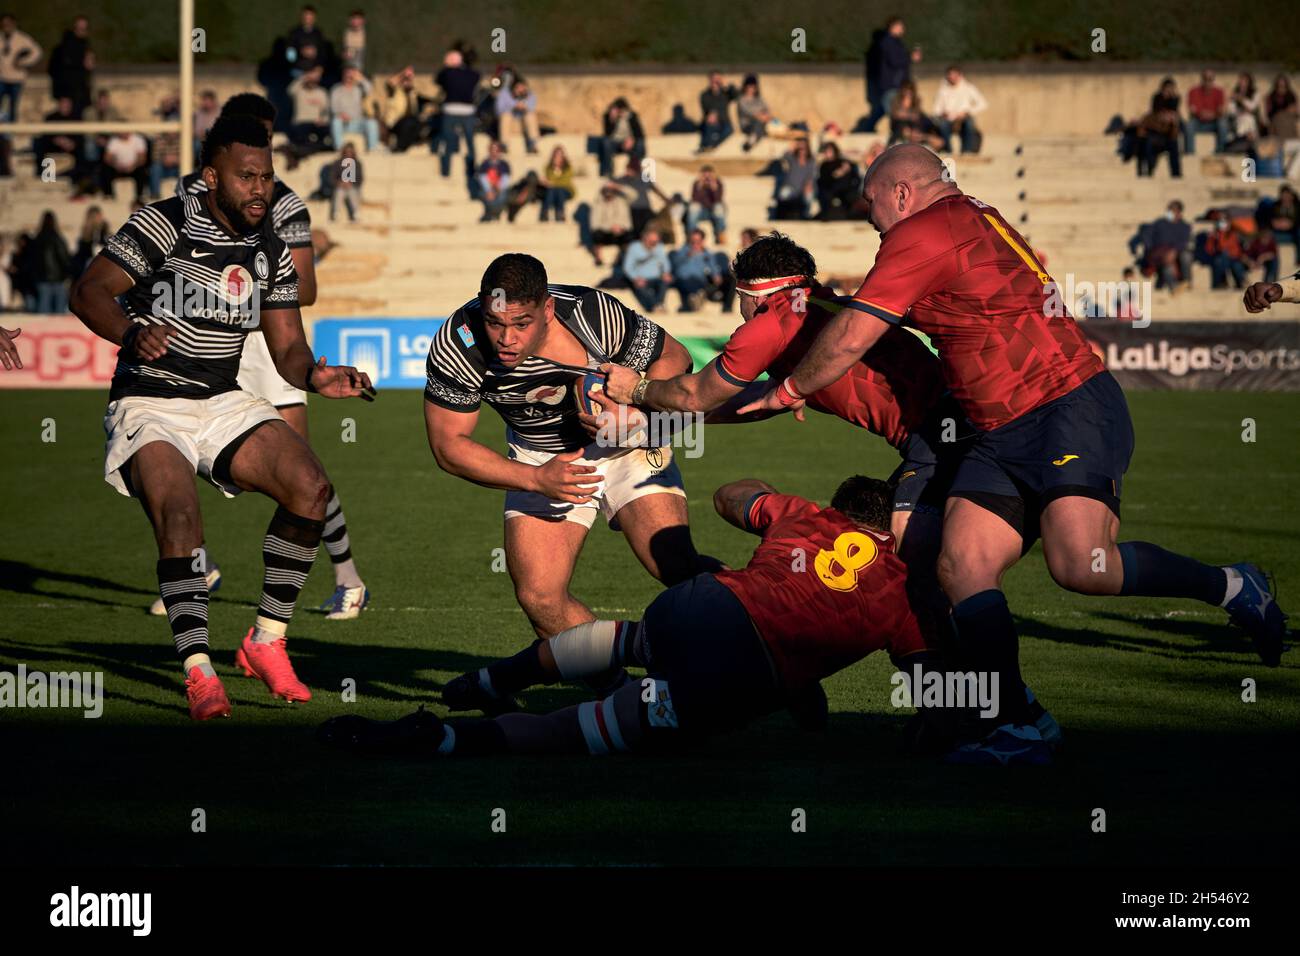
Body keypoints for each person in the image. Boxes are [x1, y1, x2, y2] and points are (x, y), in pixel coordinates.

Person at [739, 144, 1289, 764]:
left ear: (901, 193)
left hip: (1065, 405)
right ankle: (1015, 721)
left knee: (1081, 565)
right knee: (959, 565)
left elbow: (855, 334)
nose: (868, 215)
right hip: (995, 430)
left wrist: (785, 389)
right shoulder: (960, 221)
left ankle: (1233, 585)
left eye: (870, 201)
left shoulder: (923, 231)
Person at [69, 115, 376, 720]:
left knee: (310, 487)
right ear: (212, 176)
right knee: (181, 512)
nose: (260, 189)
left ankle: (266, 640)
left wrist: (315, 374)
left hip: (222, 399)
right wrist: (131, 333)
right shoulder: (163, 223)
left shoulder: (268, 250)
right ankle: (199, 669)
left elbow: (287, 347)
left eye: (266, 176)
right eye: (246, 177)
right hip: (150, 401)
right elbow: (89, 292)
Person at [319, 475, 950, 760]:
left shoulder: (807, 515)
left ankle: (491, 681)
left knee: (631, 639)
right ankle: (441, 739)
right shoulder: (904, 590)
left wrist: (769, 510)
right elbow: (928, 684)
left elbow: (732, 493)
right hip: (739, 671)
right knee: (589, 732)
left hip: (698, 603)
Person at [601, 231, 963, 590]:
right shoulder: (824, 304)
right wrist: (662, 417)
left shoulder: (773, 321)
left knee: (907, 577)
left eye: (738, 297)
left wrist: (636, 389)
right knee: (892, 563)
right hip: (957, 426)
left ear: (751, 294)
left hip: (938, 442)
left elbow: (696, 395)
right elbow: (756, 401)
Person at [420, 254, 718, 683]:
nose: (506, 338)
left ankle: (770, 628)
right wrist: (535, 479)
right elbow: (447, 446)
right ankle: (624, 692)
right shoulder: (458, 343)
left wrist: (637, 404)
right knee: (540, 598)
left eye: (521, 323)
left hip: (626, 446)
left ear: (546, 310)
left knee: (671, 563)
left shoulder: (592, 314)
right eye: (495, 322)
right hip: (539, 459)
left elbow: (674, 356)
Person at [175, 93, 370, 621]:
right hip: (201, 343)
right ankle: (195, 568)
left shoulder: (285, 206)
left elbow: (302, 290)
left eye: (264, 147)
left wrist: (236, 291)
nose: (257, 171)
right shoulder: (185, 199)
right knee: (165, 450)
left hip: (267, 345)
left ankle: (347, 576)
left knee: (301, 471)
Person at [864, 16, 918, 133]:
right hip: (892, 84)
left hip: (894, 84)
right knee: (894, 112)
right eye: (900, 27)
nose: (903, 30)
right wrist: (910, 57)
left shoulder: (894, 43)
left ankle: (865, 128)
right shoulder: (888, 42)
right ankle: (897, 133)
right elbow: (894, 61)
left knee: (883, 109)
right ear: (893, 27)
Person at [435, 47, 481, 179]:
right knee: (470, 142)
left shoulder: (446, 73)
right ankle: (471, 170)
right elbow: (476, 77)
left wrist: (448, 66)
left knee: (447, 142)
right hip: (468, 110)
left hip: (450, 109)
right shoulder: (473, 74)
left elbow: (438, 80)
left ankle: (446, 172)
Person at [1129, 200, 1192, 290]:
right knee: (1167, 264)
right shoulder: (1159, 223)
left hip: (1175, 254)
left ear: (1179, 212)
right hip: (1158, 253)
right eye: (1169, 210)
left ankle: (1186, 283)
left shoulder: (1185, 226)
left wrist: (1173, 251)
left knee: (1186, 256)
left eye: (1172, 210)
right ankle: (1174, 287)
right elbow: (1146, 235)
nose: (1170, 212)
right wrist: (1151, 249)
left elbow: (1184, 242)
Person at [931, 65, 986, 154]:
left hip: (964, 118)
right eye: (950, 75)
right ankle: (948, 150)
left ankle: (966, 151)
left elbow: (982, 103)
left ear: (960, 75)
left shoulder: (969, 88)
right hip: (948, 119)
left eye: (955, 75)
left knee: (969, 124)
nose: (952, 78)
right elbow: (936, 110)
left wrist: (967, 112)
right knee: (943, 125)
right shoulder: (942, 90)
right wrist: (943, 113)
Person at [0, 13, 42, 122]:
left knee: (14, 107)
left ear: (14, 24)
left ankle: (11, 132)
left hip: (16, 79)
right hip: (2, 78)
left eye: (8, 24)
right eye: (4, 24)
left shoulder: (22, 38)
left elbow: (37, 52)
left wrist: (23, 62)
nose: (6, 26)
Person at [47, 15, 93, 115]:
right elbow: (54, 69)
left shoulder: (85, 46)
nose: (82, 31)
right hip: (69, 92)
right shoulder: (65, 48)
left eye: (84, 28)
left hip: (78, 91)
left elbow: (88, 68)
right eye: (80, 28)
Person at [382, 65, 434, 152]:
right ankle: (399, 147)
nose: (407, 83)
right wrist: (403, 73)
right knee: (411, 121)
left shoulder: (413, 93)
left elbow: (429, 98)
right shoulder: (394, 92)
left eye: (409, 81)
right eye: (405, 81)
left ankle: (411, 143)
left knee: (424, 122)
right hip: (395, 122)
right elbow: (390, 83)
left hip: (411, 123)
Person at [28, 211, 72, 313]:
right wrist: (67, 274)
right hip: (58, 279)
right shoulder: (58, 239)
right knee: (59, 312)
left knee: (43, 312)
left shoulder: (37, 239)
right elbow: (64, 258)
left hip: (42, 279)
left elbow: (33, 261)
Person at [623, 226, 673, 312]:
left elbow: (665, 263)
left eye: (656, 241)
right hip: (641, 279)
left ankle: (657, 305)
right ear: (644, 238)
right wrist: (635, 278)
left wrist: (666, 273)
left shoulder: (659, 247)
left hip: (657, 278)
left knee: (665, 282)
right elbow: (627, 267)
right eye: (651, 241)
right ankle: (657, 305)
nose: (654, 244)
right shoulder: (634, 247)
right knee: (640, 287)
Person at [329, 66, 379, 151]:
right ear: (343, 75)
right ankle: (339, 149)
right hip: (343, 123)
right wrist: (341, 115)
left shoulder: (359, 89)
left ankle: (373, 150)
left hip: (358, 122)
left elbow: (370, 89)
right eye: (347, 74)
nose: (349, 77)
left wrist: (360, 78)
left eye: (351, 75)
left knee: (372, 122)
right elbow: (333, 108)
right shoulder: (336, 89)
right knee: (335, 122)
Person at [587, 180, 633, 266]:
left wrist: (617, 186)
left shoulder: (622, 201)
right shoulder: (598, 204)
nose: (609, 194)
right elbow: (595, 224)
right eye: (606, 191)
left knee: (629, 236)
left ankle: (622, 259)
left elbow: (633, 194)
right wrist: (611, 227)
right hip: (606, 233)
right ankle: (599, 259)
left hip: (621, 231)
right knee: (596, 235)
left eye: (611, 191)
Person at [287, 65, 331, 153]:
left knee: (327, 131)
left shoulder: (322, 92)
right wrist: (306, 76)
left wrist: (323, 120)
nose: (311, 82)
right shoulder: (298, 90)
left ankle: (318, 149)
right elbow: (290, 90)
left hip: (316, 123)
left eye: (314, 80)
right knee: (300, 134)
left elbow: (327, 111)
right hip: (301, 122)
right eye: (309, 80)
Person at [596, 97, 644, 177]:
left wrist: (632, 140)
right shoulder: (608, 116)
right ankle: (607, 172)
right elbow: (607, 133)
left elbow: (640, 133)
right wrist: (612, 119)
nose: (620, 112)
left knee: (640, 144)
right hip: (615, 143)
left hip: (629, 142)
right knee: (606, 142)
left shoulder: (632, 116)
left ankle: (637, 170)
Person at [95, 131, 148, 201]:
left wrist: (133, 166)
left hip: (134, 168)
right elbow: (107, 158)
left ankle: (140, 195)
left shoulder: (138, 139)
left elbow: (142, 158)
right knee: (105, 170)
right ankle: (108, 195)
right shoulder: (114, 141)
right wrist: (116, 165)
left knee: (141, 170)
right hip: (118, 168)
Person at [1185, 69, 1227, 155]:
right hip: (1198, 122)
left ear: (1213, 80)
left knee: (1223, 124)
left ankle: (1220, 152)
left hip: (1214, 122)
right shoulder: (1193, 91)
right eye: (1205, 79)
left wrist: (1211, 114)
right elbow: (1192, 110)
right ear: (1202, 79)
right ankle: (1190, 153)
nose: (1207, 81)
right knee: (1189, 125)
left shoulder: (1219, 92)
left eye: (1210, 79)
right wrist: (1204, 114)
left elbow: (1221, 110)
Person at [817, 142, 861, 220]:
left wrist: (845, 171)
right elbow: (824, 180)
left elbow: (856, 176)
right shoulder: (824, 165)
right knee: (824, 195)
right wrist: (838, 173)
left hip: (846, 189)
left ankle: (852, 215)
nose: (827, 153)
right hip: (831, 189)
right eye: (826, 151)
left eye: (830, 151)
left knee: (852, 196)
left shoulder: (844, 162)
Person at [495, 76, 539, 154]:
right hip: (509, 120)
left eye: (523, 87)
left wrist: (524, 107)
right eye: (518, 88)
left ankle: (533, 144)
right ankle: (504, 145)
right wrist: (514, 106)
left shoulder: (530, 95)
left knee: (530, 115)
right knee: (506, 116)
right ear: (513, 88)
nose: (521, 90)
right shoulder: (504, 93)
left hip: (523, 121)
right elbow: (499, 110)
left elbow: (532, 108)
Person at [773, 138, 816, 220]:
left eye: (804, 148)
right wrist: (793, 145)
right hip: (790, 186)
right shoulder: (792, 158)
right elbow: (784, 155)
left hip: (804, 187)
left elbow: (811, 176)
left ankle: (805, 216)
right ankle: (780, 217)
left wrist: (808, 186)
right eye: (799, 148)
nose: (801, 151)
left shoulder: (811, 160)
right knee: (783, 195)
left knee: (809, 197)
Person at [698, 70, 736, 152]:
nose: (716, 82)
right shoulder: (705, 94)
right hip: (711, 122)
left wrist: (727, 86)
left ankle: (711, 145)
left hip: (724, 122)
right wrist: (712, 115)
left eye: (718, 79)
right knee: (708, 126)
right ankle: (705, 145)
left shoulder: (725, 93)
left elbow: (736, 96)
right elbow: (706, 107)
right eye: (714, 79)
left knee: (729, 130)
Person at [475, 139, 511, 221]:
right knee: (485, 196)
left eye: (497, 150)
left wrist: (499, 188)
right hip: (487, 189)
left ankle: (492, 214)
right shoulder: (484, 164)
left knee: (503, 195)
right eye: (492, 150)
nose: (494, 152)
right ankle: (494, 214)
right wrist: (488, 190)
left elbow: (506, 179)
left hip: (499, 189)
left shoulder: (504, 164)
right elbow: (482, 178)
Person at [537, 145, 574, 222]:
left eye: (560, 155)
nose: (558, 157)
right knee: (552, 190)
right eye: (556, 155)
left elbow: (565, 182)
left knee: (559, 190)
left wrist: (551, 182)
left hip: (566, 190)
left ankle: (559, 213)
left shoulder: (568, 167)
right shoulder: (548, 167)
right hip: (552, 192)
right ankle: (545, 213)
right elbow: (548, 180)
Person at [70, 204, 108, 276]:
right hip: (87, 268)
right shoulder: (86, 233)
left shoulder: (104, 231)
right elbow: (82, 252)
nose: (94, 219)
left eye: (95, 216)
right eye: (91, 217)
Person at [329, 141, 362, 222]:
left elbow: (360, 179)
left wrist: (351, 183)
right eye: (347, 151)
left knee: (352, 192)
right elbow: (332, 178)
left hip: (353, 187)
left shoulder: (357, 164)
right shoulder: (337, 163)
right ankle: (336, 214)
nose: (348, 153)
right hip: (340, 187)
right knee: (339, 192)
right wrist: (339, 183)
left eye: (350, 152)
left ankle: (356, 213)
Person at [736, 75, 771, 152]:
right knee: (758, 122)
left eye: (753, 87)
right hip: (747, 126)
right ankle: (752, 139)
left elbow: (767, 110)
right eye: (749, 87)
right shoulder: (742, 100)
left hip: (760, 124)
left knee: (763, 123)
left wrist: (766, 116)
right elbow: (750, 112)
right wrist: (761, 115)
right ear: (745, 87)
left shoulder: (759, 99)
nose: (751, 89)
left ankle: (753, 139)